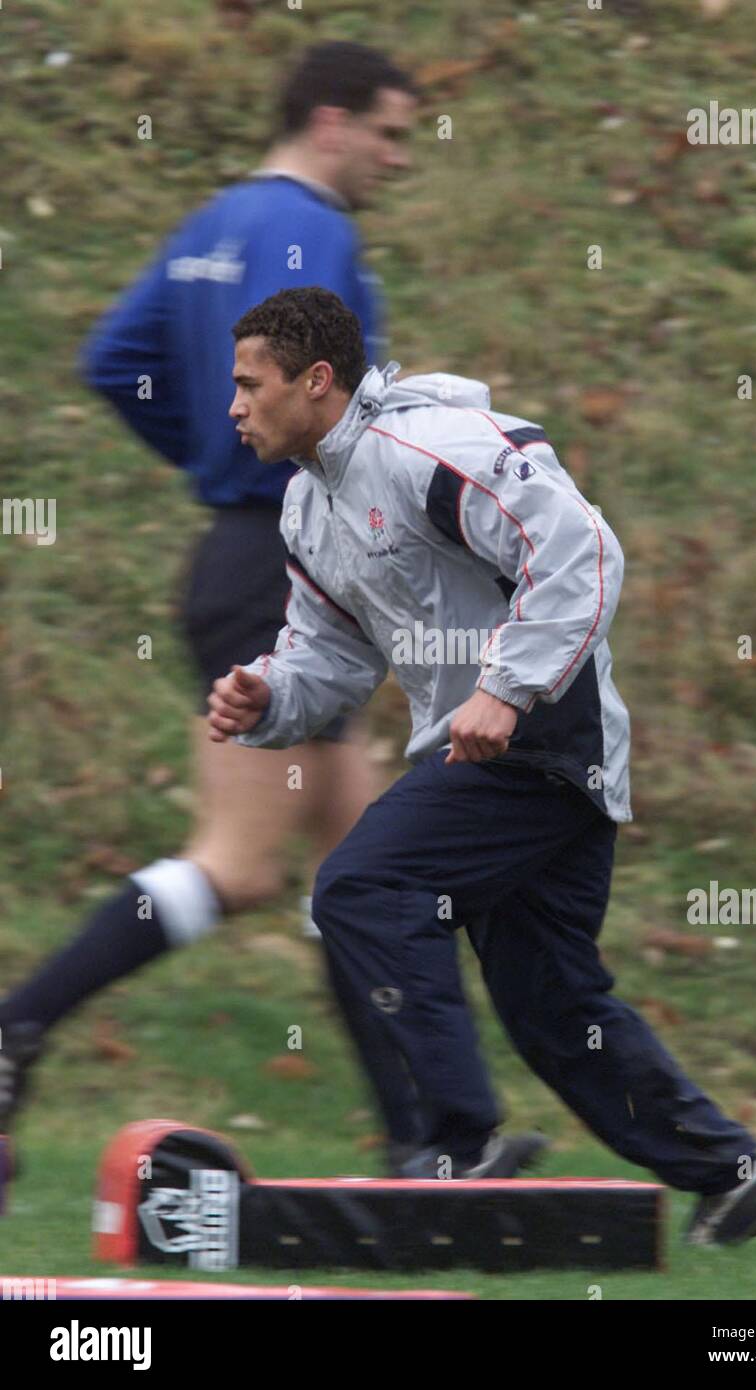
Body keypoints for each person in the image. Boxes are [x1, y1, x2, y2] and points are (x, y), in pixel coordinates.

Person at [206, 284, 756, 1238]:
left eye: (248, 384)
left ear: (317, 381)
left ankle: (457, 1146)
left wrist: (507, 689)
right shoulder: (307, 508)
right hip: (495, 744)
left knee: (360, 884)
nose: (232, 407)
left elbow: (582, 550)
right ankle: (732, 1175)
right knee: (554, 1008)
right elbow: (332, 656)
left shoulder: (427, 452)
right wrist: (273, 697)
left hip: (538, 737)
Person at [0, 44, 427, 1171]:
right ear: (330, 122)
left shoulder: (210, 224)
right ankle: (14, 1028)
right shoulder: (317, 233)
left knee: (360, 863)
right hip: (281, 574)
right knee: (238, 865)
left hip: (242, 554)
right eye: (387, 133)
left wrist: (207, 452)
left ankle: (423, 1144)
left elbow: (112, 359)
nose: (395, 157)